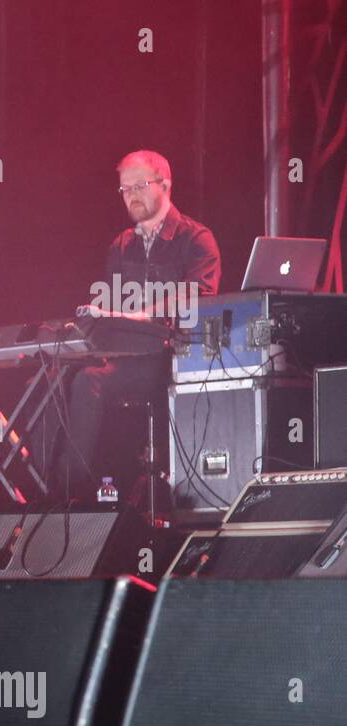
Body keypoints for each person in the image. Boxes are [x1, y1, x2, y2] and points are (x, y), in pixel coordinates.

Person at [56, 150, 221, 501]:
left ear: (166, 185)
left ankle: (70, 493)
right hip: (127, 357)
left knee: (88, 381)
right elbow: (114, 304)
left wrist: (141, 314)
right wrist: (97, 315)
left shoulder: (195, 238)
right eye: (124, 188)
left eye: (140, 185)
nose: (131, 194)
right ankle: (56, 495)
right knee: (52, 374)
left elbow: (201, 297)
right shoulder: (120, 245)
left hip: (174, 360)